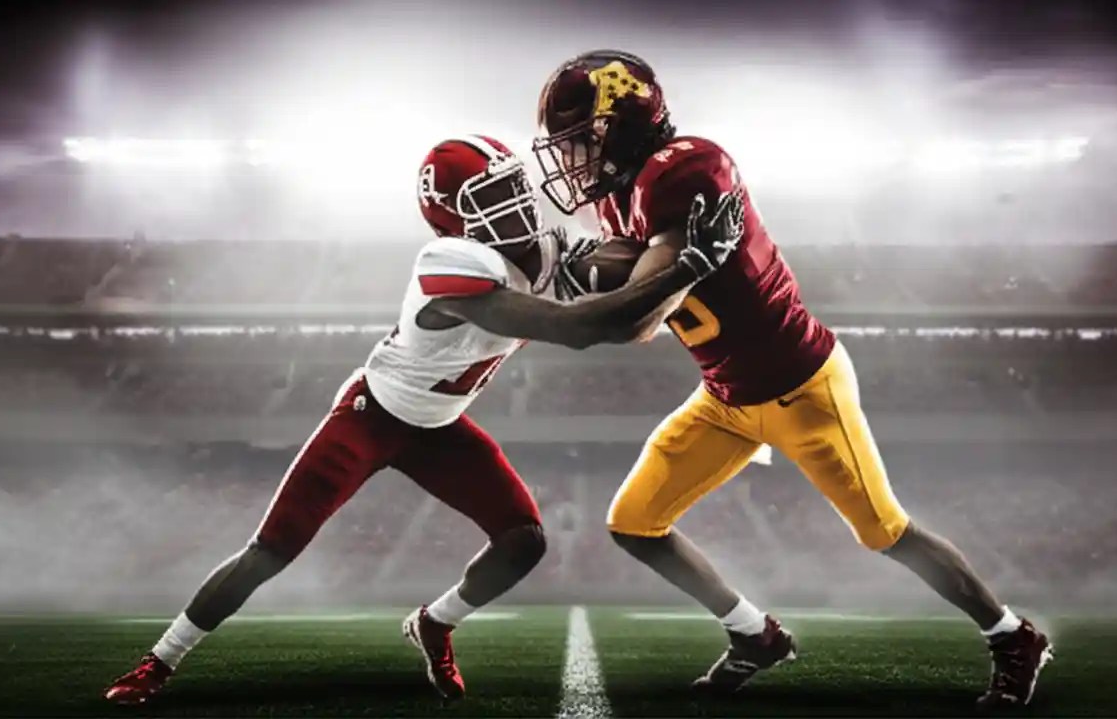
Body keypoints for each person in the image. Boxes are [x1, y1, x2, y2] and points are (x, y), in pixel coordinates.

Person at [103, 133, 744, 705]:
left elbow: (620, 275)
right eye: (495, 194)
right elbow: (577, 328)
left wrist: (672, 239)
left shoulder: (541, 246)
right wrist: (689, 264)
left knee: (524, 541)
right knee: (271, 550)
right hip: (371, 416)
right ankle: (159, 661)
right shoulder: (451, 264)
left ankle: (434, 623)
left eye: (515, 185)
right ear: (455, 218)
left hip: (438, 426)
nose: (518, 201)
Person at [530, 50, 1053, 708]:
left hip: (803, 390)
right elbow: (633, 267)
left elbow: (636, 319)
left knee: (885, 532)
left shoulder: (685, 170)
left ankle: (1012, 636)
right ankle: (754, 635)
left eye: (580, 141)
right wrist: (571, 263)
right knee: (634, 523)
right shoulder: (626, 193)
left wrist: (595, 281)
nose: (572, 159)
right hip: (725, 397)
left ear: (622, 123)